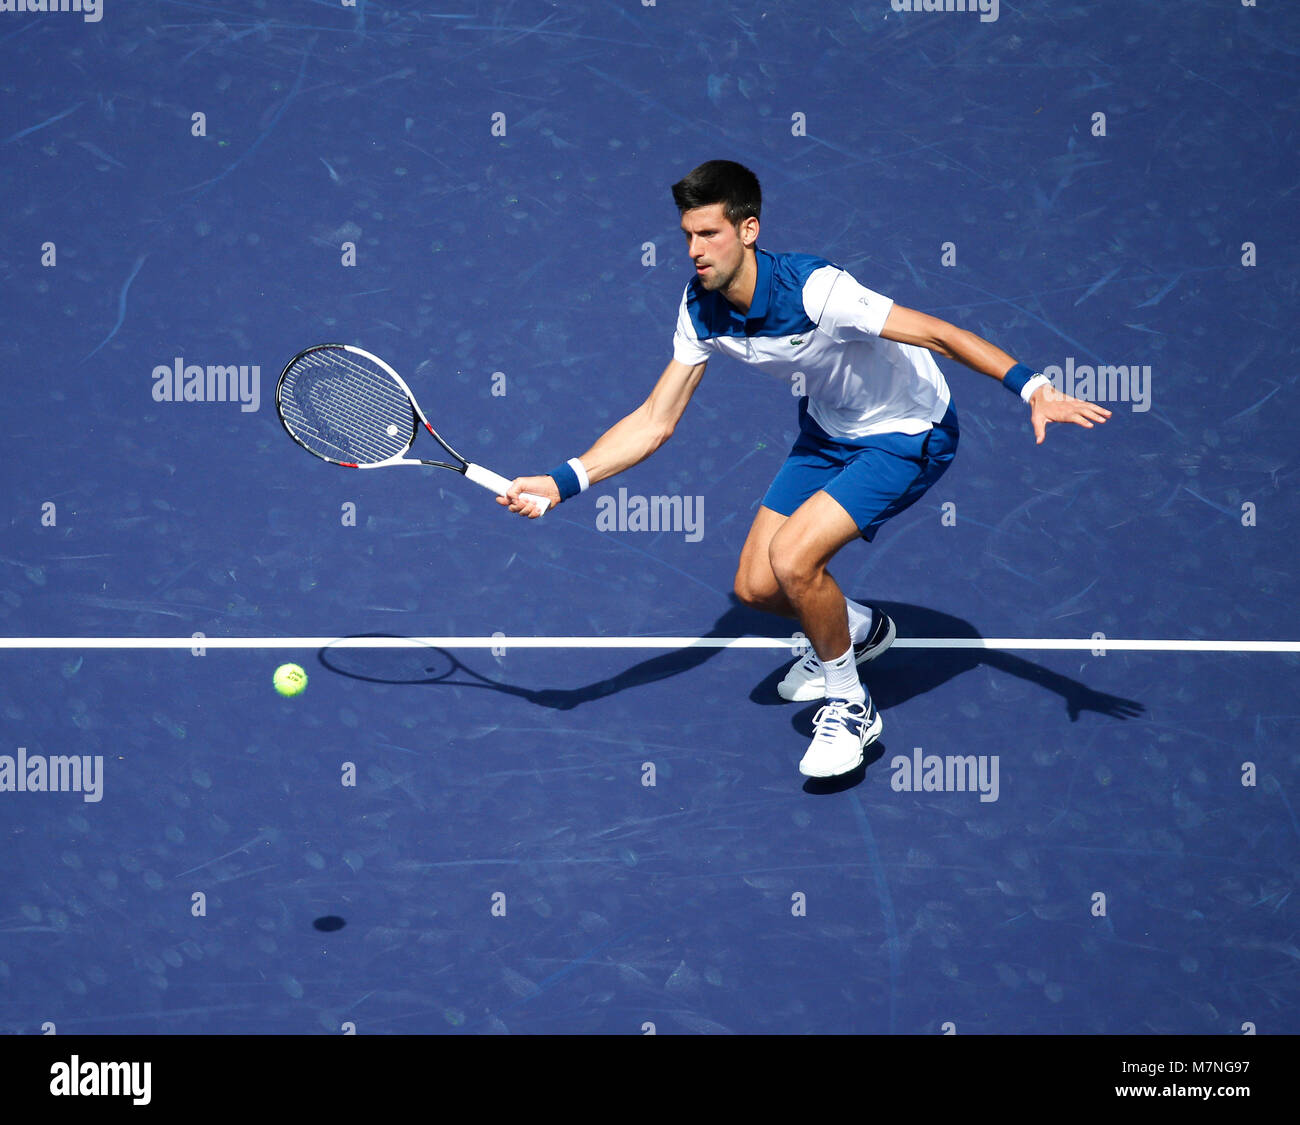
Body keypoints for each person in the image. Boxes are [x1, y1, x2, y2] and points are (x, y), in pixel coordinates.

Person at [500, 160, 1110, 779]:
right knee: (756, 589)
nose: (694, 251)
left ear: (748, 230)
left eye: (708, 234)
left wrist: (1032, 387)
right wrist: (562, 480)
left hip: (906, 433)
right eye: (687, 235)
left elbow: (938, 335)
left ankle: (851, 704)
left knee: (793, 559)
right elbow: (657, 419)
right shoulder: (700, 309)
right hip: (827, 431)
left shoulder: (817, 291)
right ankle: (860, 633)